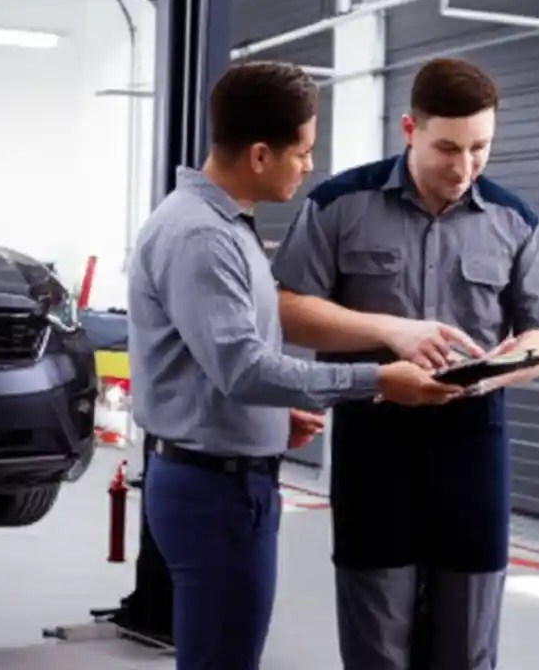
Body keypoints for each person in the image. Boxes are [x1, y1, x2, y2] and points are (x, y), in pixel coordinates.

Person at [126, 60, 467, 670]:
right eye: (303, 151)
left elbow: (211, 364)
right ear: (261, 155)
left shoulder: (220, 226)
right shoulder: (204, 238)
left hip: (223, 478)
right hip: (215, 493)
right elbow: (245, 368)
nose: (309, 165)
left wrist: (273, 418)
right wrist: (376, 379)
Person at [270, 57, 539, 669]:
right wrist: (391, 329)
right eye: (448, 148)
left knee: (466, 643)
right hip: (374, 440)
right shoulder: (339, 204)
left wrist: (505, 365)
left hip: (472, 444)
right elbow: (286, 308)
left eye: (480, 148)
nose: (464, 168)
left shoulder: (515, 220)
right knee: (377, 639)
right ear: (409, 129)